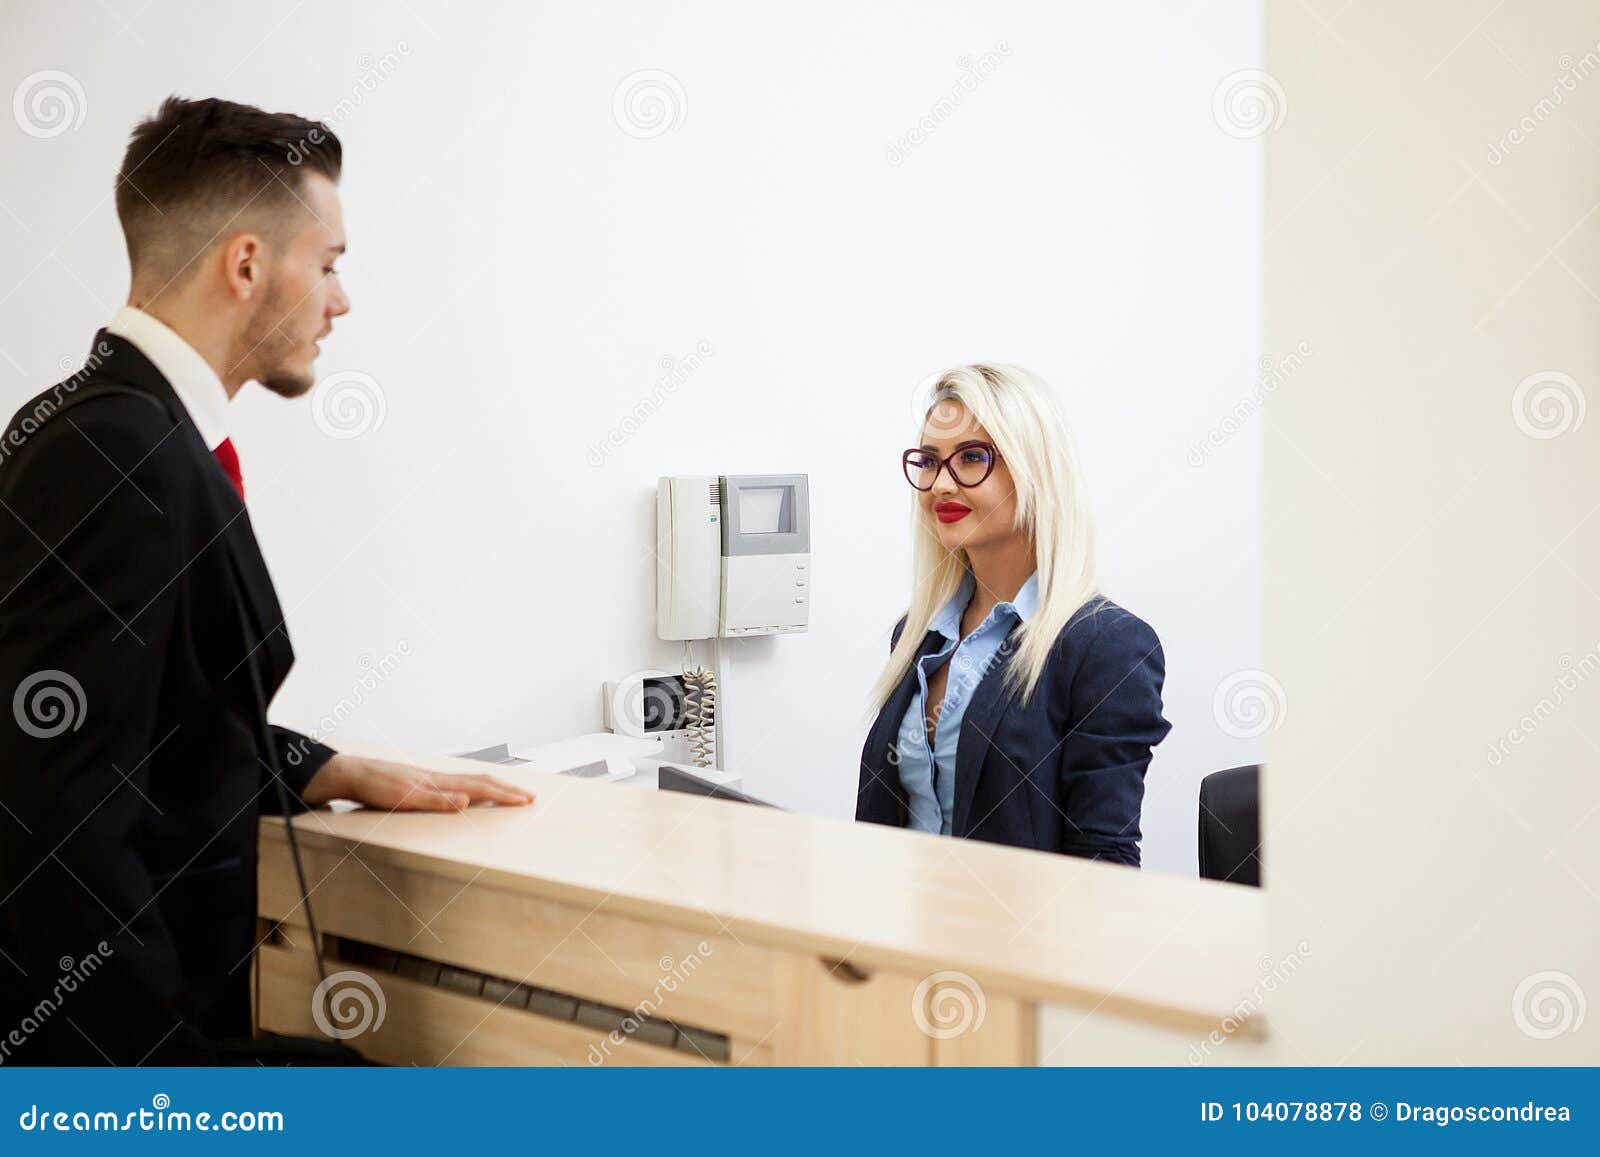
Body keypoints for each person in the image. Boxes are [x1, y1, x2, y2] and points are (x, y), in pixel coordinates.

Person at [0, 96, 532, 1065]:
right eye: (328, 263)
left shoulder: (111, 425)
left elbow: (130, 718)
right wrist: (166, 1093)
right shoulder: (115, 453)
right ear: (246, 264)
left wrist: (313, 765)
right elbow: (50, 809)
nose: (342, 300)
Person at [856, 364, 1170, 864]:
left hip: (1014, 940)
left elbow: (1102, 857)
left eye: (973, 458)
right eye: (931, 461)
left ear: (1035, 472)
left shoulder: (1105, 646)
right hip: (897, 933)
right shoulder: (917, 636)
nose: (940, 484)